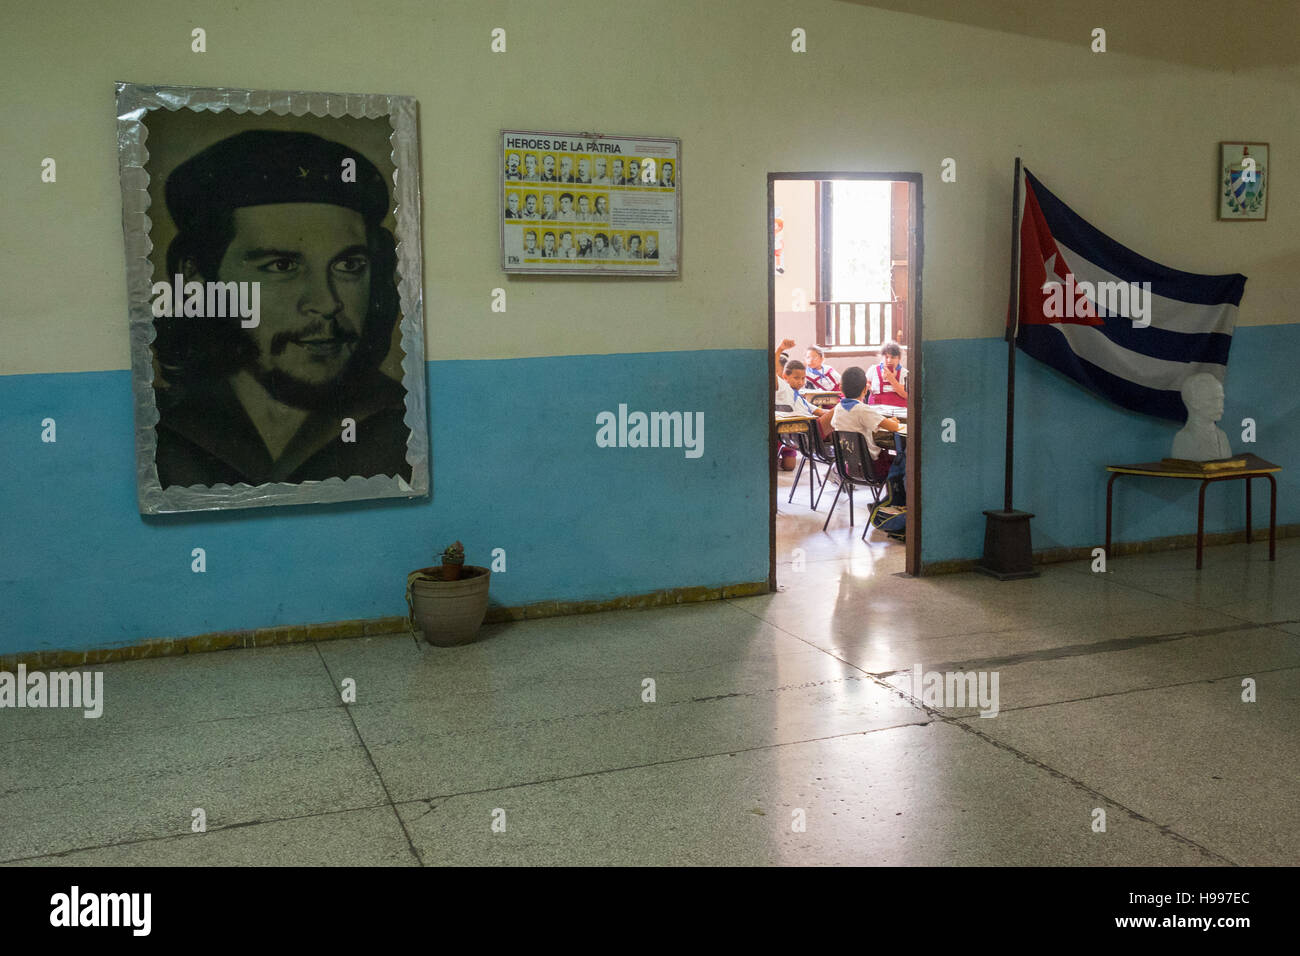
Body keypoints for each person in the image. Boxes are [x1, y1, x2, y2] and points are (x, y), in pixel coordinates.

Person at [152, 129, 410, 487]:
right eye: (282, 267)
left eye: (348, 266)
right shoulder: (156, 428)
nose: (327, 303)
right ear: (196, 278)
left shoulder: (406, 423)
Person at [832, 365, 901, 480]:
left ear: (840, 387)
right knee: (903, 463)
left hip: (848, 467)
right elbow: (893, 427)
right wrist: (893, 421)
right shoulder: (863, 409)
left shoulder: (838, 409)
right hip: (872, 467)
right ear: (865, 389)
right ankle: (895, 496)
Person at [774, 338, 833, 439]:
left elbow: (820, 412)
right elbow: (771, 370)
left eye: (803, 378)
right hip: (805, 432)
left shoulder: (800, 398)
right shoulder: (783, 388)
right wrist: (780, 349)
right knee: (843, 409)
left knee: (841, 411)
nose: (800, 382)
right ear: (785, 376)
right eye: (796, 378)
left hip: (809, 428)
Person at [868, 341, 908, 406]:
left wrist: (891, 379)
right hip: (877, 408)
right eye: (886, 357)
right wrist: (868, 386)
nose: (889, 360)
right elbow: (866, 383)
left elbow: (906, 395)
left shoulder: (904, 373)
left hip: (899, 411)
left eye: (893, 357)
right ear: (882, 357)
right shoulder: (873, 369)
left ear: (899, 358)